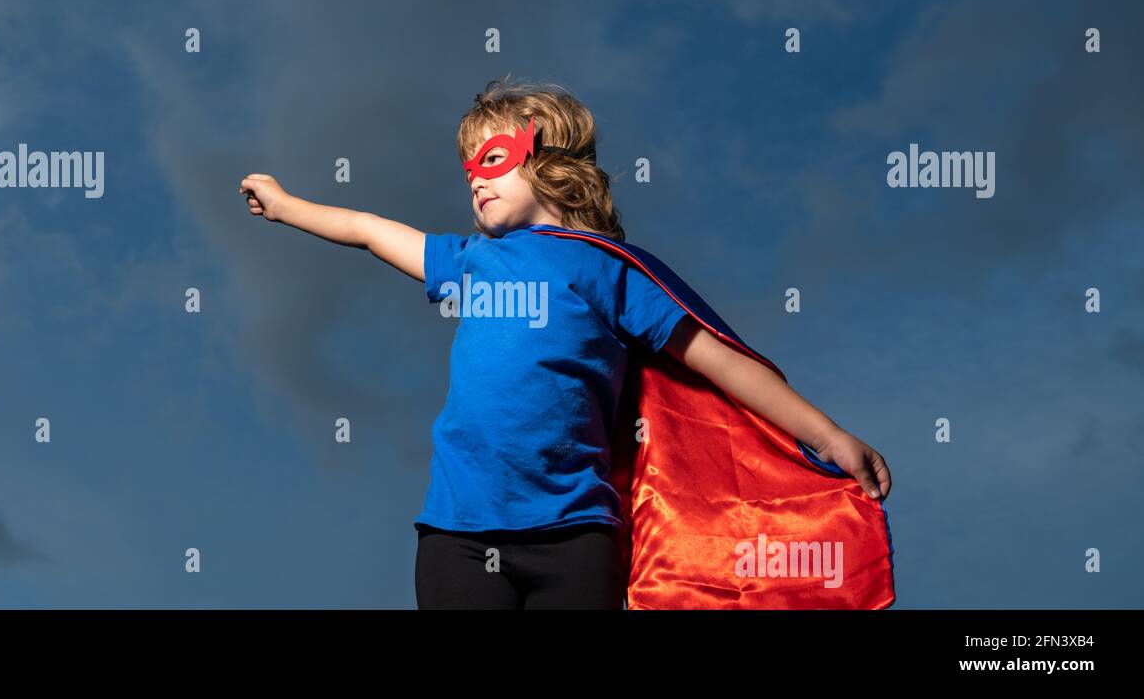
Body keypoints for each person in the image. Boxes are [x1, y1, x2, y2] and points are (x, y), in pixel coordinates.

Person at [238, 77, 892, 610]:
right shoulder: (470, 262)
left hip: (576, 539)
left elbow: (721, 361)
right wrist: (286, 203)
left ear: (547, 161)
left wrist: (828, 435)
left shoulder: (609, 269)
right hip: (458, 535)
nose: (474, 177)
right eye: (467, 167)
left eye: (491, 158)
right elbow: (367, 228)